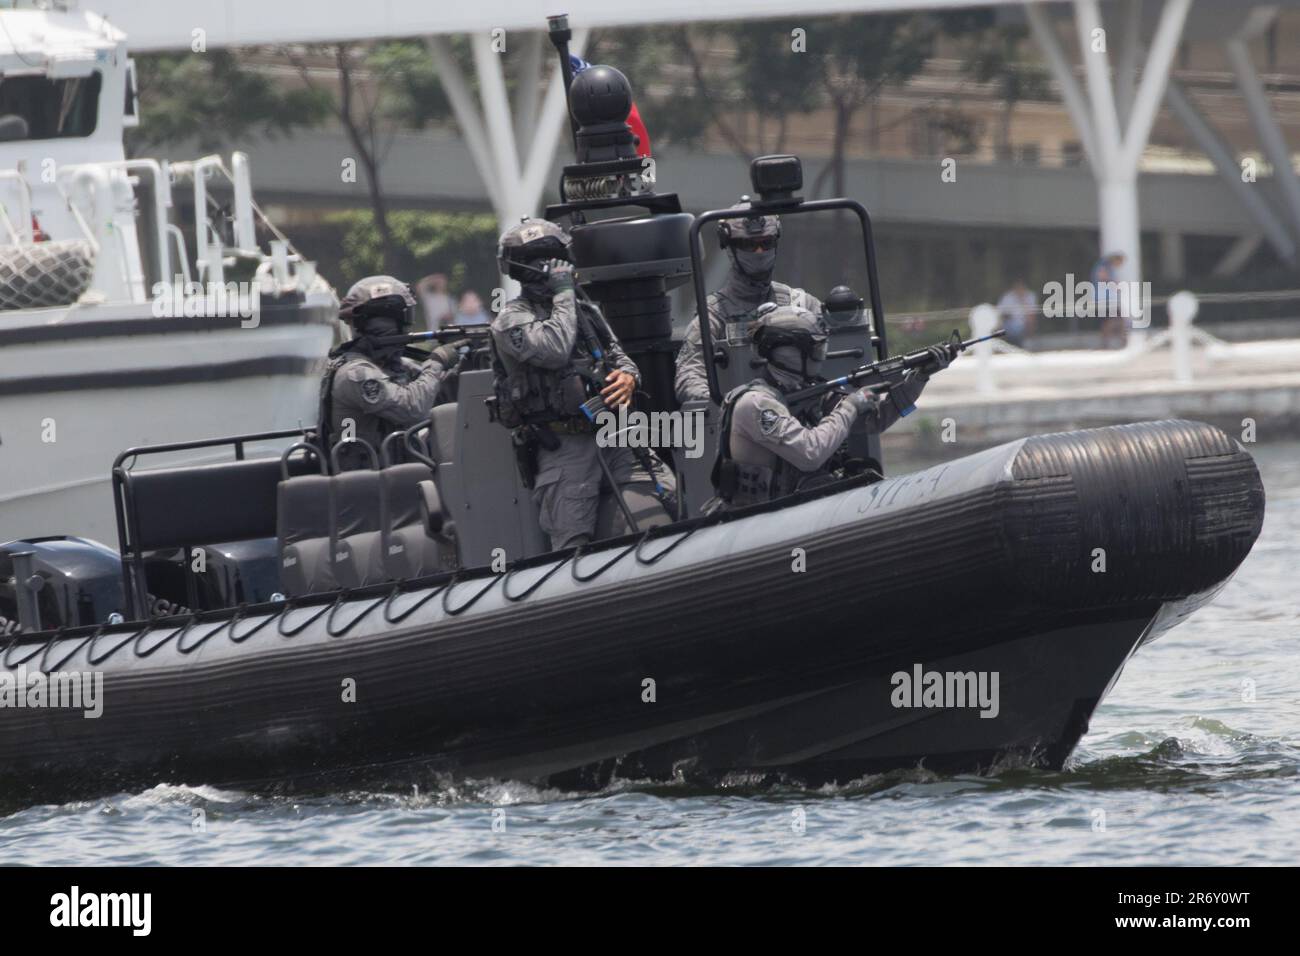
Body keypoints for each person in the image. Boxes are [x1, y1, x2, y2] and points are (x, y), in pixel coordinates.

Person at [490, 218, 667, 549]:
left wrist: (628, 378)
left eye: (554, 258)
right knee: (573, 542)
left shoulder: (586, 311)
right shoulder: (511, 321)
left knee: (663, 498)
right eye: (537, 260)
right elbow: (555, 350)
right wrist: (563, 293)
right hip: (563, 447)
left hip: (613, 435)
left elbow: (620, 357)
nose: (549, 267)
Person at [712, 304, 947, 507]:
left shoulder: (807, 393)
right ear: (787, 352)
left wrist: (918, 379)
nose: (820, 357)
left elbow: (875, 421)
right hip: (757, 522)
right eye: (815, 349)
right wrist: (851, 405)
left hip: (795, 511)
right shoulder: (755, 404)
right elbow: (809, 453)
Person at [674, 202, 822, 405]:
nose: (759, 252)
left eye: (766, 242)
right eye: (749, 245)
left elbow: (838, 360)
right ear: (730, 248)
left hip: (805, 420)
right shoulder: (713, 316)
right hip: (744, 428)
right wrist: (730, 406)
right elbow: (689, 376)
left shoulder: (803, 304)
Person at [318, 276, 466, 470]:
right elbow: (412, 407)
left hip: (399, 475)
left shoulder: (392, 365)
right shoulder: (356, 374)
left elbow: (433, 392)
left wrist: (463, 367)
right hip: (368, 485)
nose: (406, 325)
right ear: (381, 322)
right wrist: (436, 362)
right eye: (401, 317)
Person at [1093, 251, 1126, 349]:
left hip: (1108, 299)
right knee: (1111, 321)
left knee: (1112, 321)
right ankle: (1116, 342)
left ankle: (1120, 341)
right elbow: (1102, 277)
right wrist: (1115, 284)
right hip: (1105, 299)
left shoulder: (1108, 266)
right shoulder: (1104, 265)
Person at [996, 278, 1037, 348]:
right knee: (1000, 326)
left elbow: (1031, 314)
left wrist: (1023, 300)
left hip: (1023, 323)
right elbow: (999, 313)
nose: (1019, 288)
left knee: (1027, 323)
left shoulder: (1030, 296)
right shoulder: (1007, 297)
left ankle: (1027, 342)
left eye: (1021, 286)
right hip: (1008, 323)